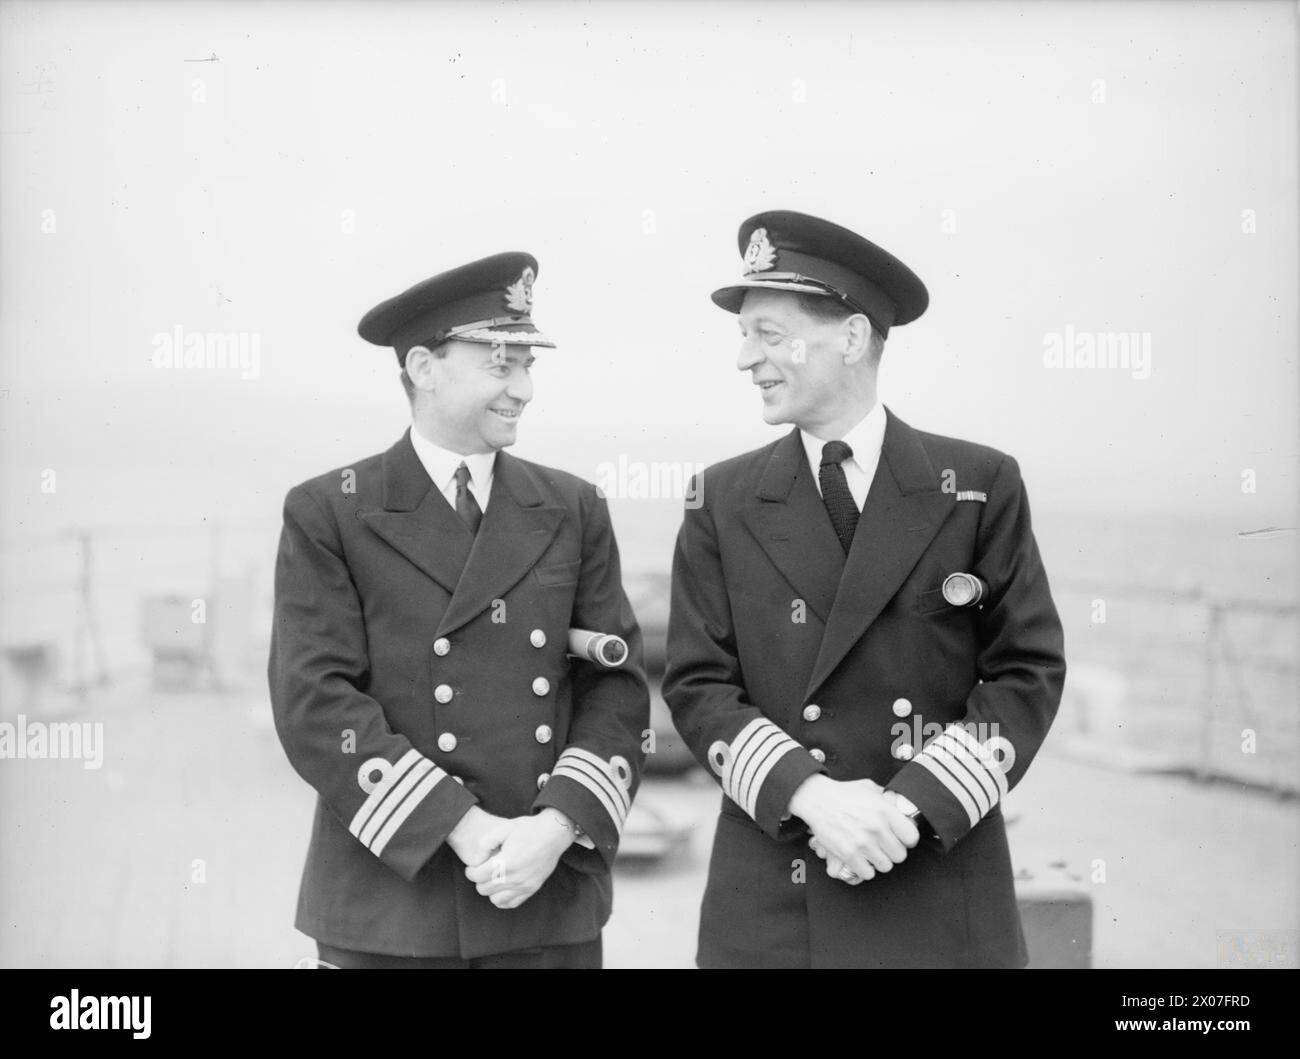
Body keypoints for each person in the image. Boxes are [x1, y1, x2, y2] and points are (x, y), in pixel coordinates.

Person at [663, 210, 1066, 968]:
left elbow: (1026, 670)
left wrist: (904, 808)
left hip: (936, 872)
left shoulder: (977, 485)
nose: (746, 358)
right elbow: (698, 683)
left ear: (850, 338)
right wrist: (815, 797)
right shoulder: (719, 498)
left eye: (769, 333)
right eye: (743, 335)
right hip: (777, 888)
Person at [268, 251, 649, 968]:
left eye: (529, 366)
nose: (524, 390)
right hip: (391, 906)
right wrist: (465, 828)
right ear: (422, 366)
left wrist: (558, 826)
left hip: (544, 899)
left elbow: (617, 690)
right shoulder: (331, 510)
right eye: (501, 365)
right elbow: (314, 703)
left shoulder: (571, 506)